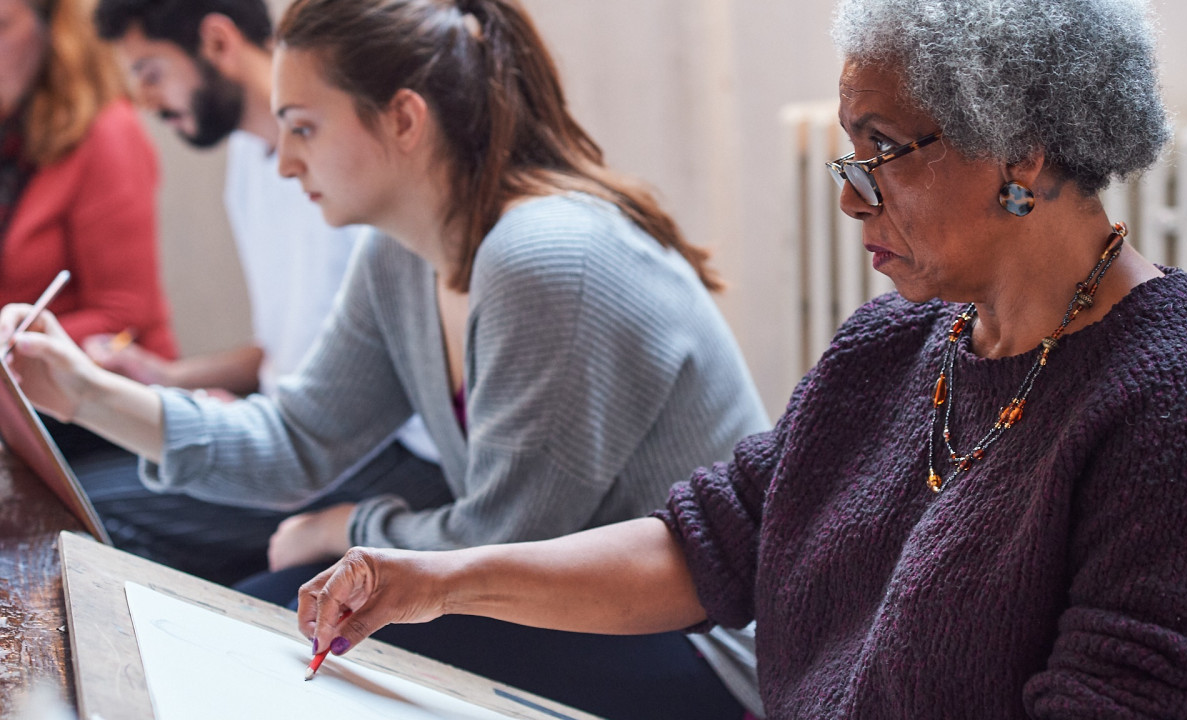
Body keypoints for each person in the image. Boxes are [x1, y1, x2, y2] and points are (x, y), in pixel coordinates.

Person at [286, 0, 1187, 717]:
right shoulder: (890, 347)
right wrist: (438, 582)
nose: (848, 196)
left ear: (1019, 153)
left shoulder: (1182, 404)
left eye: (878, 150)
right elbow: (708, 545)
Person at [0, 0, 770, 717]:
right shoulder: (397, 256)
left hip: (702, 645)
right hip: (541, 601)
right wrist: (82, 392)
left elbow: (503, 546)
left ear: (403, 119)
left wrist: (348, 525)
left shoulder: (544, 259)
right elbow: (296, 439)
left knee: (278, 644)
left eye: (304, 128)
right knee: (255, 616)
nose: (284, 163)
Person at [76, 0, 443, 586]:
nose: (144, 100)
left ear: (218, 42)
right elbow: (287, 353)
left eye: (151, 72)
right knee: (79, 498)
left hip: (386, 449)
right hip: (304, 429)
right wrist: (167, 378)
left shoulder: (355, 177)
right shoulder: (251, 160)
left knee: (93, 519)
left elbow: (354, 395)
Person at [0, 0, 175, 361]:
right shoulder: (11, 132)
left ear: (53, 28)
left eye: (1, 26)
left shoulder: (109, 132)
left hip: (102, 383)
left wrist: (12, 343)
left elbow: (125, 315)